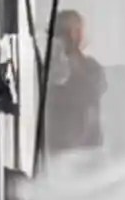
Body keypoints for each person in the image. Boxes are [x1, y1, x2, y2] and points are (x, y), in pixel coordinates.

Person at [45, 9, 107, 160]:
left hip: (88, 149)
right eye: (64, 32)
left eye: (75, 31)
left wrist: (73, 57)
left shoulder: (92, 67)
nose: (71, 37)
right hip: (58, 150)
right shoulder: (47, 67)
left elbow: (94, 91)